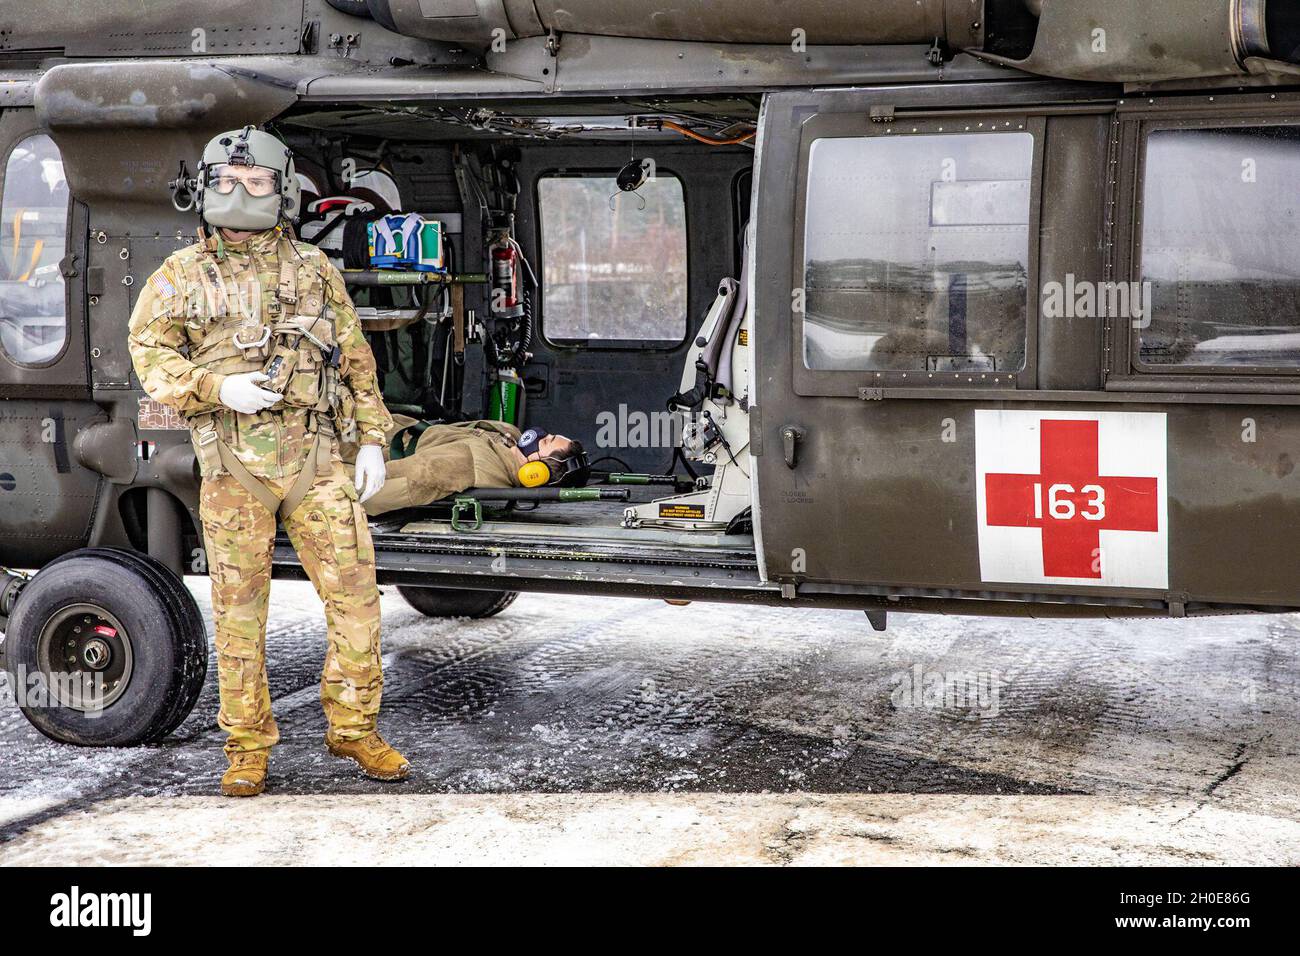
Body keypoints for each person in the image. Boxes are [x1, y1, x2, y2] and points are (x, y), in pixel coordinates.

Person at [127, 126, 407, 797]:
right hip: (232, 466)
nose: (240, 192)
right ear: (203, 189)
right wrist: (214, 387)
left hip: (314, 457)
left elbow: (355, 358)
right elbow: (150, 353)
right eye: (227, 181)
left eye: (256, 183)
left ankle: (353, 728)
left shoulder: (314, 271)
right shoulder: (180, 277)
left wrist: (372, 439)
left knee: (356, 601)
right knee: (239, 615)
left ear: (281, 192)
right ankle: (247, 745)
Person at [352, 419, 590, 515]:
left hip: (363, 446)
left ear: (535, 472)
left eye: (546, 441)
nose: (540, 435)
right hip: (380, 427)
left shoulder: (465, 463)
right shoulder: (508, 438)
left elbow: (372, 488)